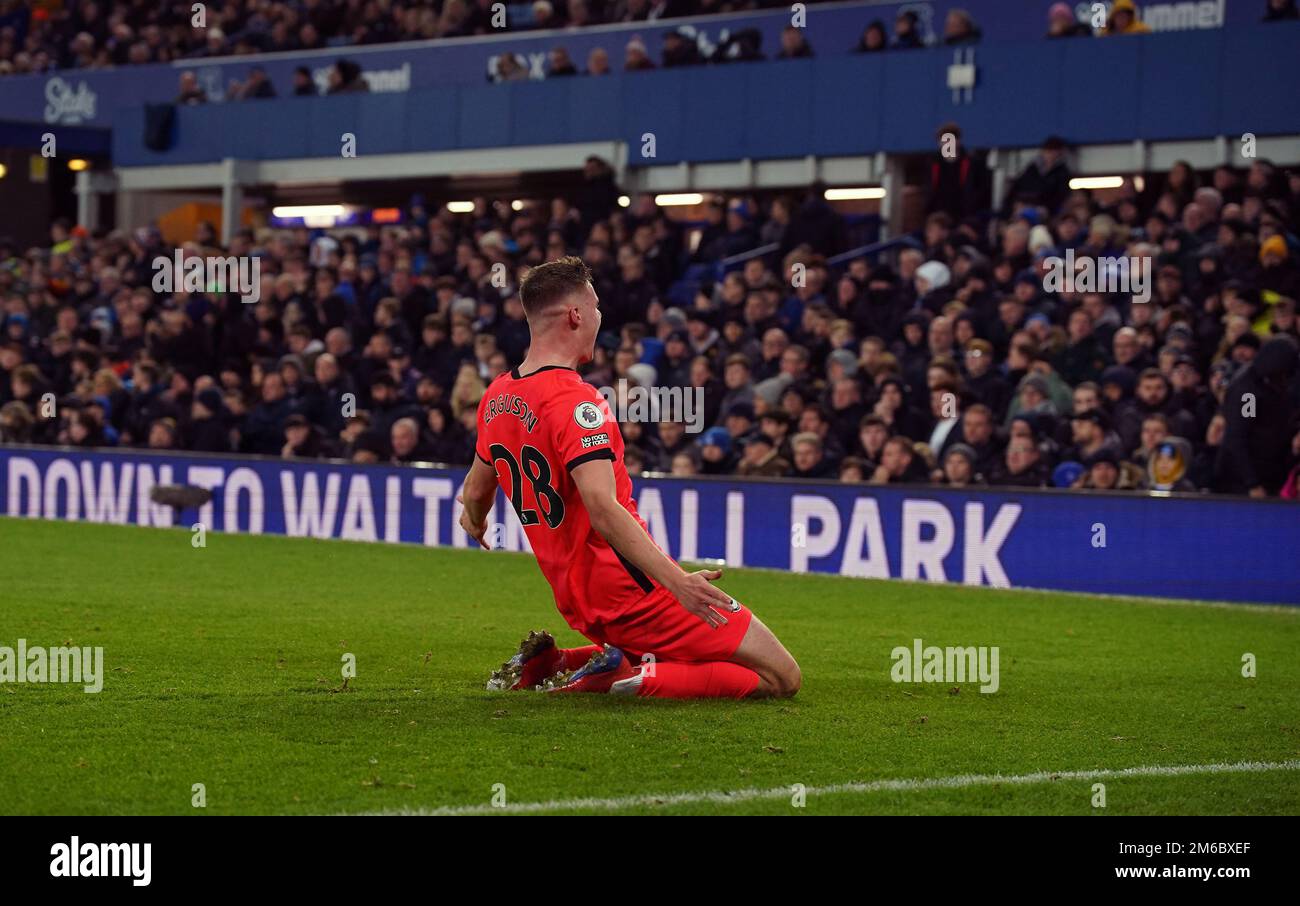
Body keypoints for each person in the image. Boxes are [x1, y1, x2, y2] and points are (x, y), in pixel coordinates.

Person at [459, 257, 800, 699]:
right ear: (575, 315)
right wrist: (678, 584)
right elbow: (603, 508)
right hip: (632, 592)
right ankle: (628, 681)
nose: (601, 317)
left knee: (666, 650)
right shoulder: (578, 402)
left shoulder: (497, 395)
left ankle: (561, 662)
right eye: (596, 306)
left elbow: (475, 491)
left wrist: (476, 520)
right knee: (782, 677)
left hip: (576, 598)